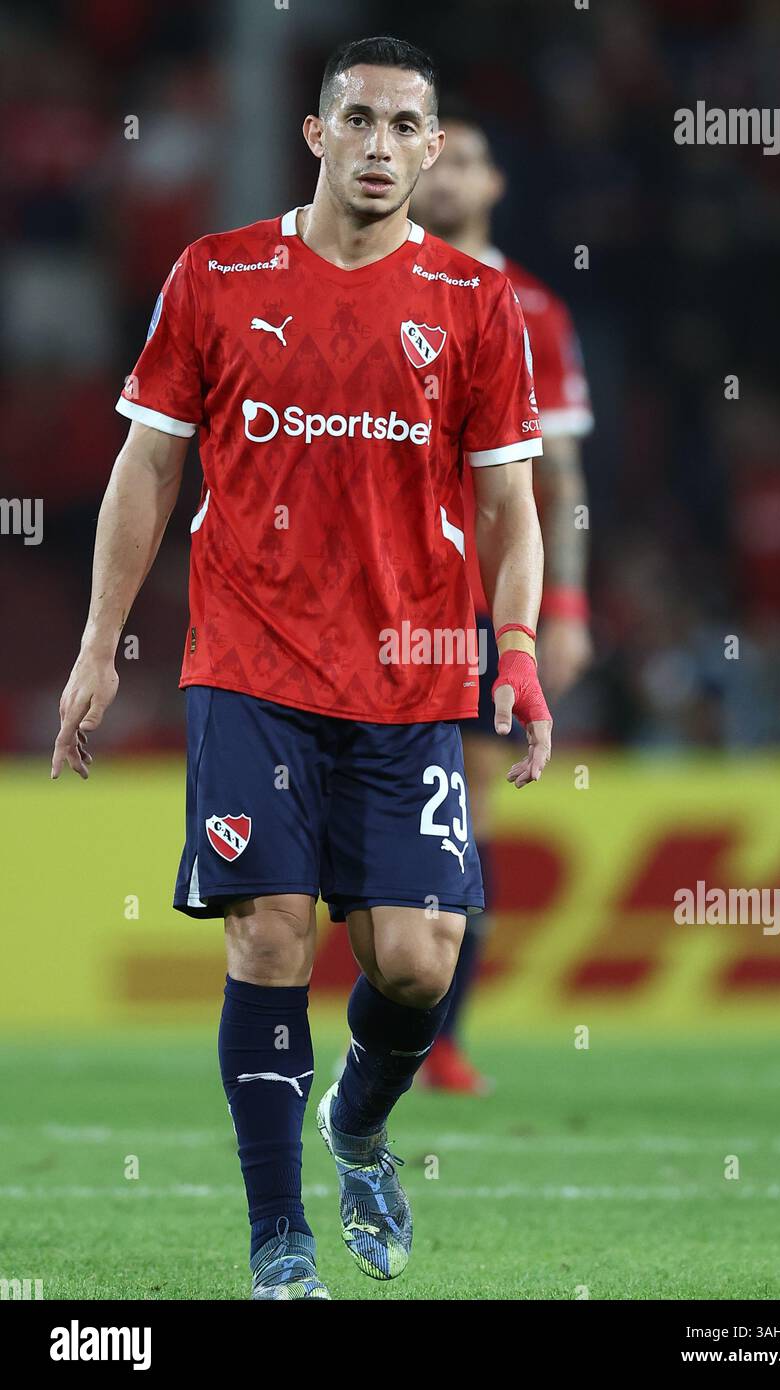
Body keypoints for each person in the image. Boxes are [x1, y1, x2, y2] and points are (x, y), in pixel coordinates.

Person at [50, 36, 552, 1300]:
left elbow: (508, 505)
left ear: (432, 153)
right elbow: (147, 467)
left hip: (410, 678)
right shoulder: (214, 276)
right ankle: (279, 1241)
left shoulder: (473, 306)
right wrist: (102, 643)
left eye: (407, 127)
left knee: (416, 963)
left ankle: (358, 1126)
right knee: (267, 937)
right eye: (360, 121)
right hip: (252, 662)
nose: (381, 146)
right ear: (316, 135)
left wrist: (520, 653)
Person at [411, 110, 594, 1093]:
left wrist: (560, 604)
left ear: (493, 188)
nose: (447, 177)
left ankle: (438, 1030)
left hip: (480, 599)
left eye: (469, 159)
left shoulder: (532, 311)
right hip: (364, 591)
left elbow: (557, 477)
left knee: (460, 808)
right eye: (436, 155)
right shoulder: (358, 286)